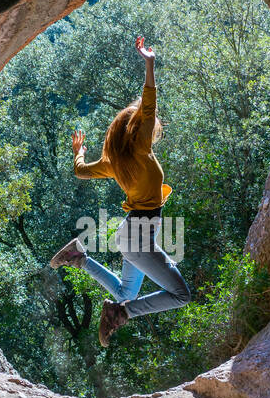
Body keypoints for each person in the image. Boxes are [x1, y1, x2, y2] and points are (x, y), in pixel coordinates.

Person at [49, 35, 191, 346]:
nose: (149, 125)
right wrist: (149, 64)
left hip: (136, 233)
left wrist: (78, 151)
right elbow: (149, 102)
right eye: (144, 123)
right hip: (138, 234)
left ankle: (78, 256)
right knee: (181, 295)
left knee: (127, 292)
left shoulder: (113, 161)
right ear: (137, 130)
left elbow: (80, 171)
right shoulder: (140, 148)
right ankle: (122, 314)